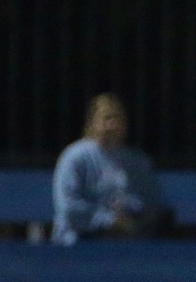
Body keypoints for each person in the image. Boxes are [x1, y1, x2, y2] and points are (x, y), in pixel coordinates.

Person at [51, 93, 167, 245]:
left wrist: (130, 214)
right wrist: (108, 220)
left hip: (127, 242)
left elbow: (150, 202)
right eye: (107, 118)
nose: (113, 124)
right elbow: (68, 207)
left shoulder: (137, 160)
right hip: (79, 242)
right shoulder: (75, 157)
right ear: (92, 122)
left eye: (118, 118)